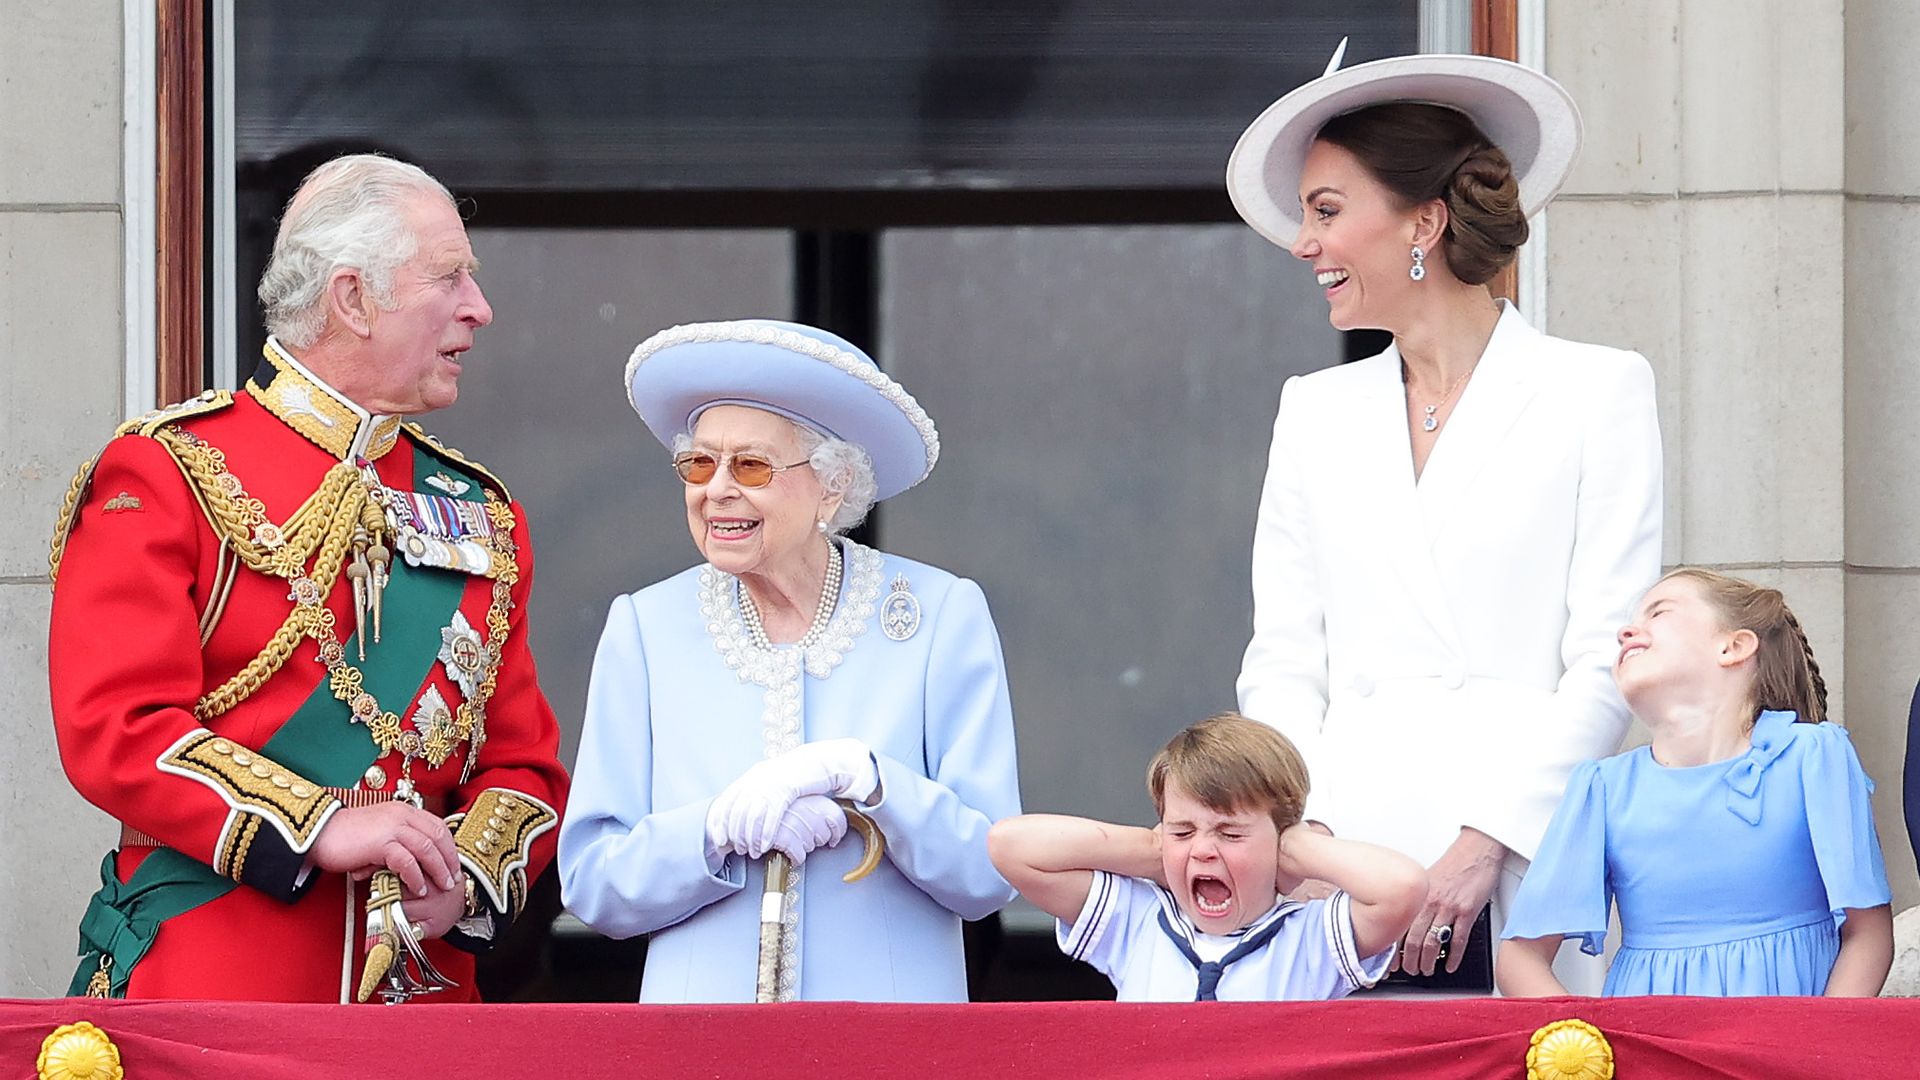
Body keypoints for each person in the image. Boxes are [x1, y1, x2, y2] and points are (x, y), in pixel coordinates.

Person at [46, 154, 570, 1002]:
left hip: (422, 1012)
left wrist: (460, 881)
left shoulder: (481, 510)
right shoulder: (172, 472)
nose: (480, 308)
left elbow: (525, 768)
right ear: (352, 298)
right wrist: (320, 826)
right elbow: (117, 726)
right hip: (216, 992)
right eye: (449, 277)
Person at [1223, 50, 1664, 991]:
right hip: (1343, 881)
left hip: (1520, 876)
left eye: (1327, 211)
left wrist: (1488, 843)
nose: (1304, 243)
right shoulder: (1313, 408)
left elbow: (1608, 660)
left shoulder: (1597, 390)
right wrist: (1315, 841)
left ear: (1424, 220)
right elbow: (1286, 658)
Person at [557, 319, 1021, 1002]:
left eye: (750, 466)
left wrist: (871, 781)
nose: (716, 489)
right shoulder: (646, 627)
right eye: (699, 464)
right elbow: (595, 885)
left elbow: (989, 875)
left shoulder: (939, 615)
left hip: (889, 1047)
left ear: (832, 487)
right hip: (698, 1049)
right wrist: (711, 830)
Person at [1498, 569, 1894, 996]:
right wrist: (1588, 1050)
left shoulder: (1811, 756)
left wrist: (1814, 1052)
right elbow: (1521, 956)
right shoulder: (1604, 787)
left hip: (1786, 1045)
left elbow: (1868, 933)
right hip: (1651, 1051)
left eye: (1658, 612)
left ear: (1733, 646)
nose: (1627, 631)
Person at [988, 713, 1425, 1001]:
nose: (1202, 850)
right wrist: (1151, 850)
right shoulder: (1137, 922)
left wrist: (1296, 848)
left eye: (1230, 833)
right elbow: (1011, 846)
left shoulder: (1308, 940)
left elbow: (1402, 887)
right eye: (1182, 830)